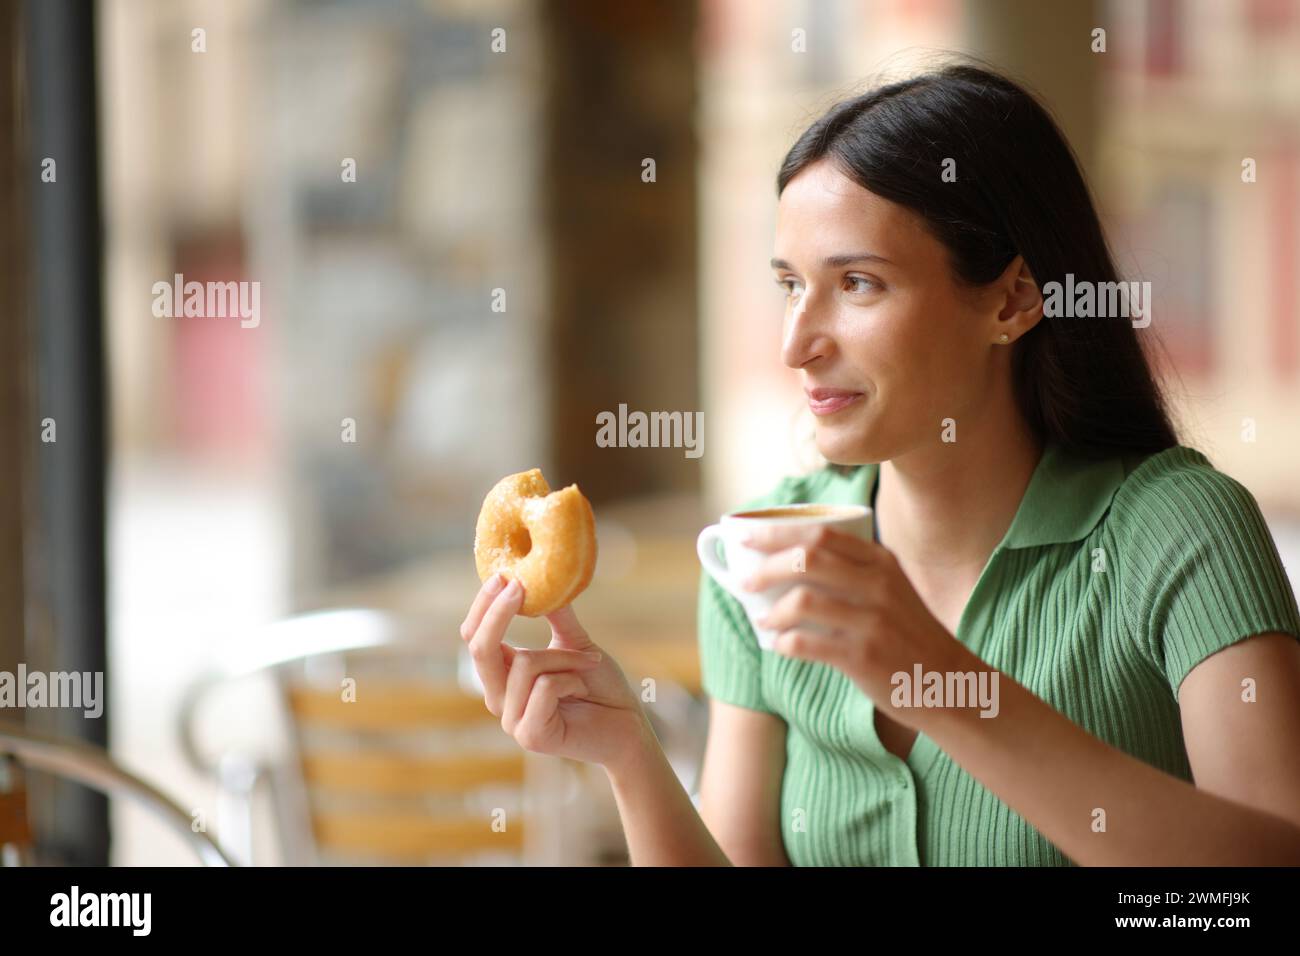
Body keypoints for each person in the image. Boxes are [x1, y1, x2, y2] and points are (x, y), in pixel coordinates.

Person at [459, 62, 1300, 865]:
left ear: (1012, 299)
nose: (797, 344)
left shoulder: (1180, 533)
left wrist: (937, 684)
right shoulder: (762, 550)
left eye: (857, 283)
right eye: (790, 284)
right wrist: (630, 755)